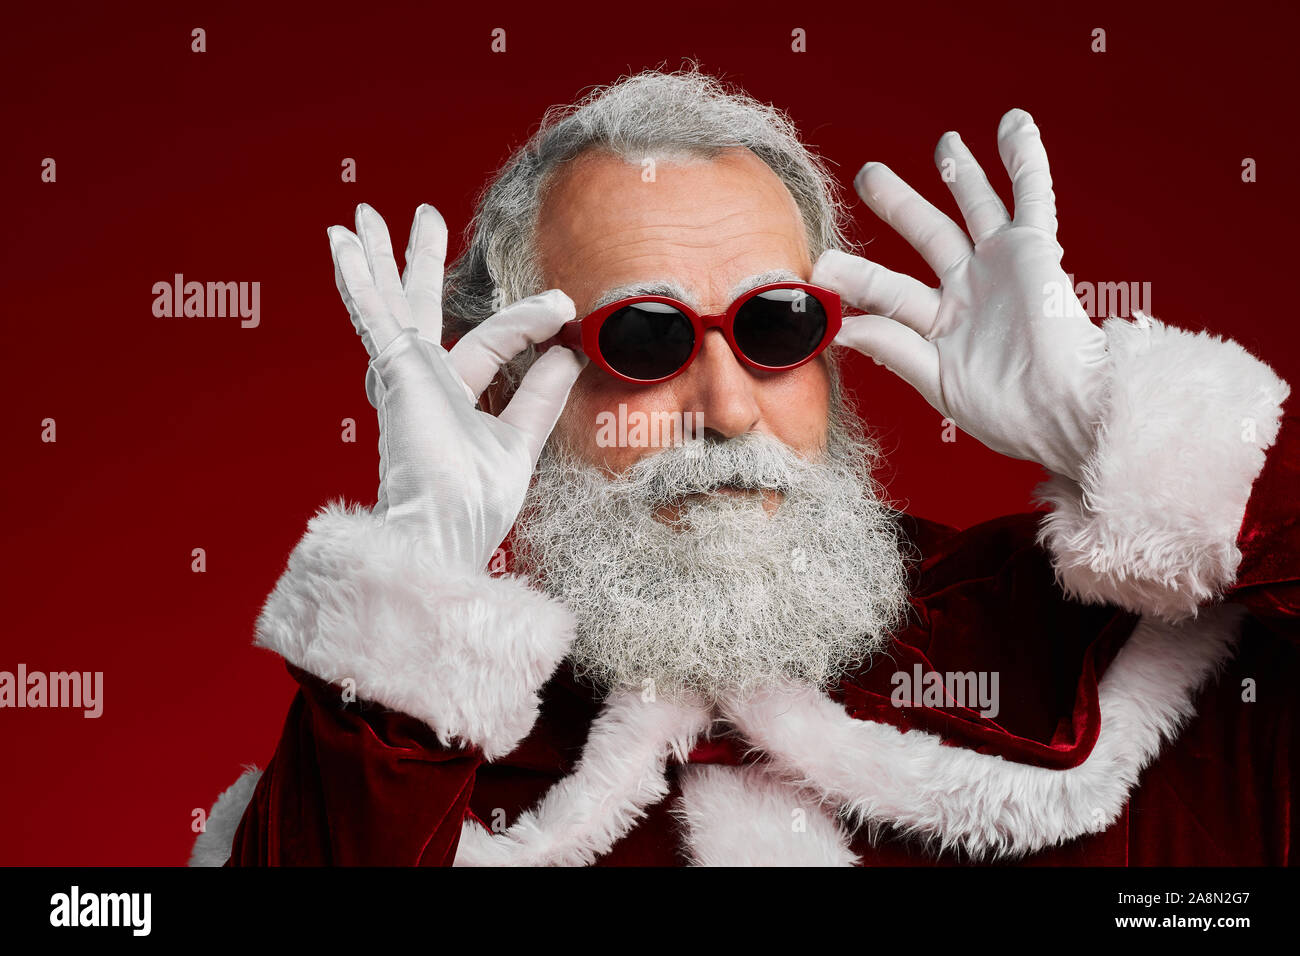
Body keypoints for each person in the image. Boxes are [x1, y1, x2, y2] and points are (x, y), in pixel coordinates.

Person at [191, 69, 1297, 867]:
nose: (726, 408)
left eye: (774, 326)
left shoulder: (1095, 651)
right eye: (644, 340)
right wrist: (414, 595)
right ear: (505, 395)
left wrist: (1133, 428)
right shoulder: (417, 768)